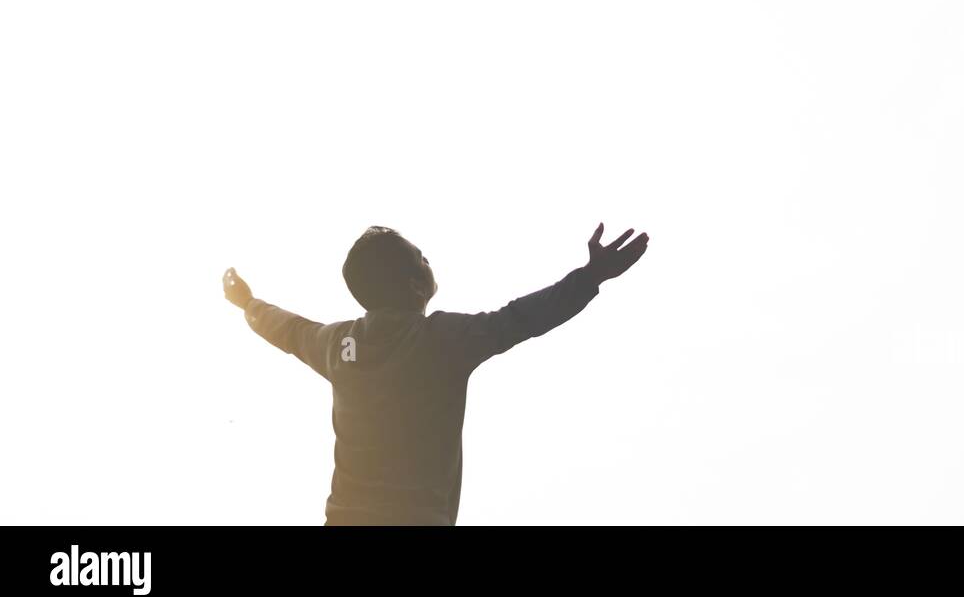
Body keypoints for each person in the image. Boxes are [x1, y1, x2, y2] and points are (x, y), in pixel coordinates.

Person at [222, 222, 649, 524]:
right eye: (420, 257)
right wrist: (591, 276)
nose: (428, 260)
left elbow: (291, 331)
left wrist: (248, 305)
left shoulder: (339, 346)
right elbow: (520, 318)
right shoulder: (441, 339)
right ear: (413, 285)